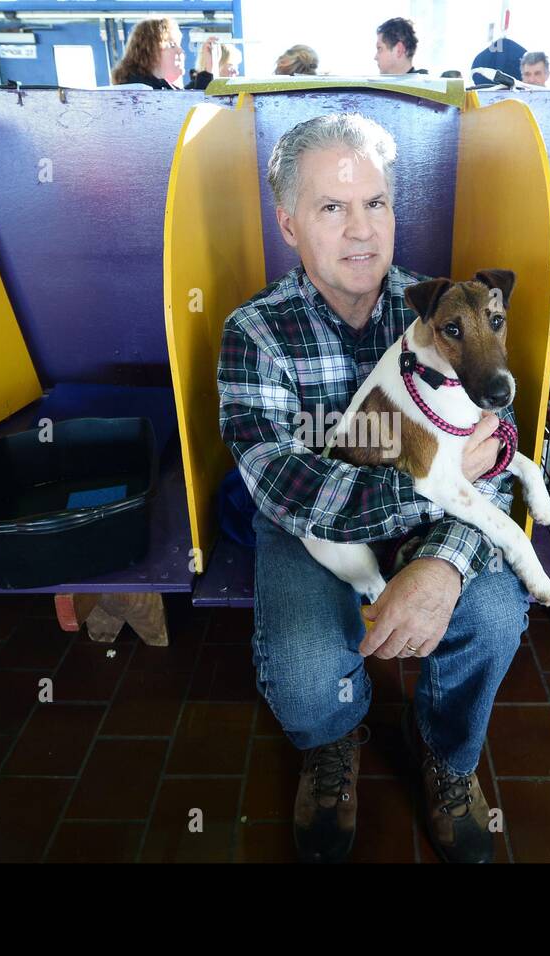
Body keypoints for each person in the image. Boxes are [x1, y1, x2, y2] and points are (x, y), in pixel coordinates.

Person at [217, 113, 528, 865]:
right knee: (304, 669)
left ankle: (449, 757)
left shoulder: (441, 307)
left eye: (377, 204)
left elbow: (497, 446)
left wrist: (445, 562)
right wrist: (431, 499)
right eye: (333, 208)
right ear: (289, 224)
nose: (363, 231)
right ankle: (334, 737)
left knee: (492, 614)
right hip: (311, 527)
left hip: (430, 510)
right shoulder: (255, 331)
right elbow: (283, 483)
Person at [110, 17, 215, 89]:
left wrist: (207, 70)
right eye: (172, 45)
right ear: (151, 49)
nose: (181, 51)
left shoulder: (158, 91)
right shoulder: (138, 95)